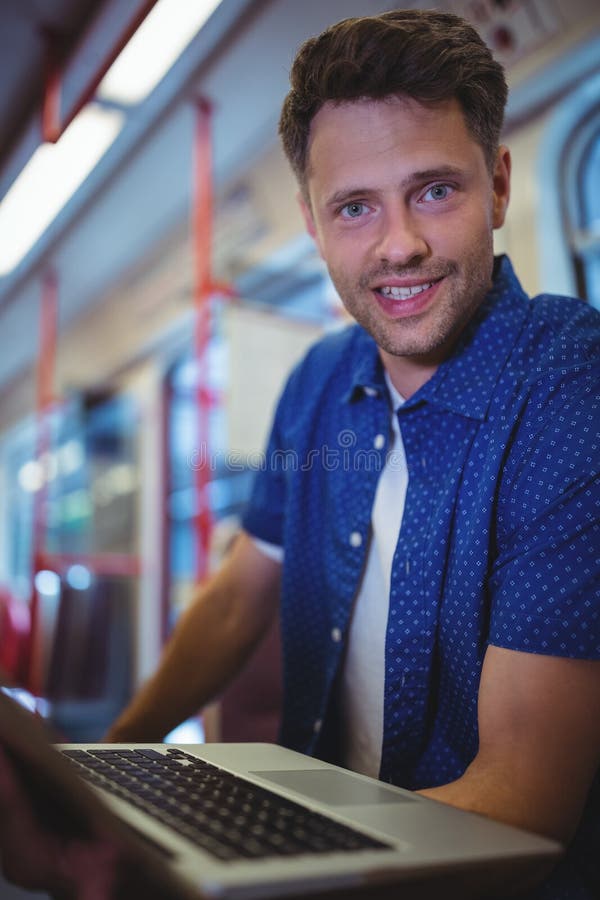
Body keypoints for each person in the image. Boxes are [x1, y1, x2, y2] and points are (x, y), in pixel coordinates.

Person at [1, 9, 599, 899]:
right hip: (327, 832)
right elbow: (244, 590)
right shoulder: (320, 382)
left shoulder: (570, 387)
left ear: (500, 186)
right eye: (354, 207)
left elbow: (523, 793)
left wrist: (267, 876)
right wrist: (103, 770)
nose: (399, 243)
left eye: (434, 190)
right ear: (316, 228)